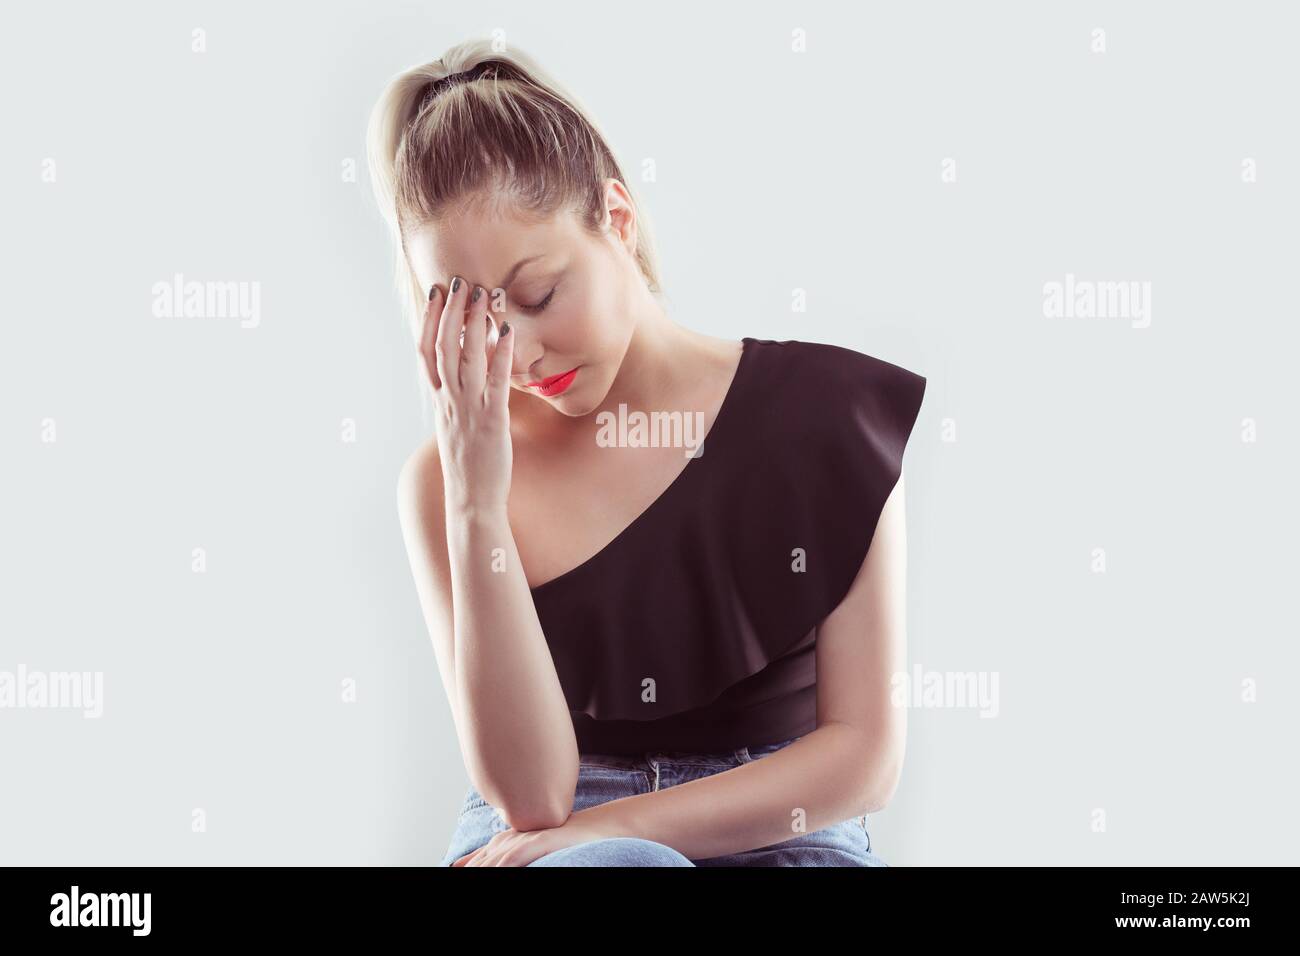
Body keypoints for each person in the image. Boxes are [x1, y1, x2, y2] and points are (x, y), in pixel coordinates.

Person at [366, 38, 927, 866]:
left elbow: (863, 760)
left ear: (617, 221)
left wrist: (619, 827)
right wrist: (477, 503)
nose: (516, 355)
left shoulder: (826, 416)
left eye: (538, 295)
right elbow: (533, 802)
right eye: (479, 321)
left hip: (781, 831)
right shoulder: (444, 485)